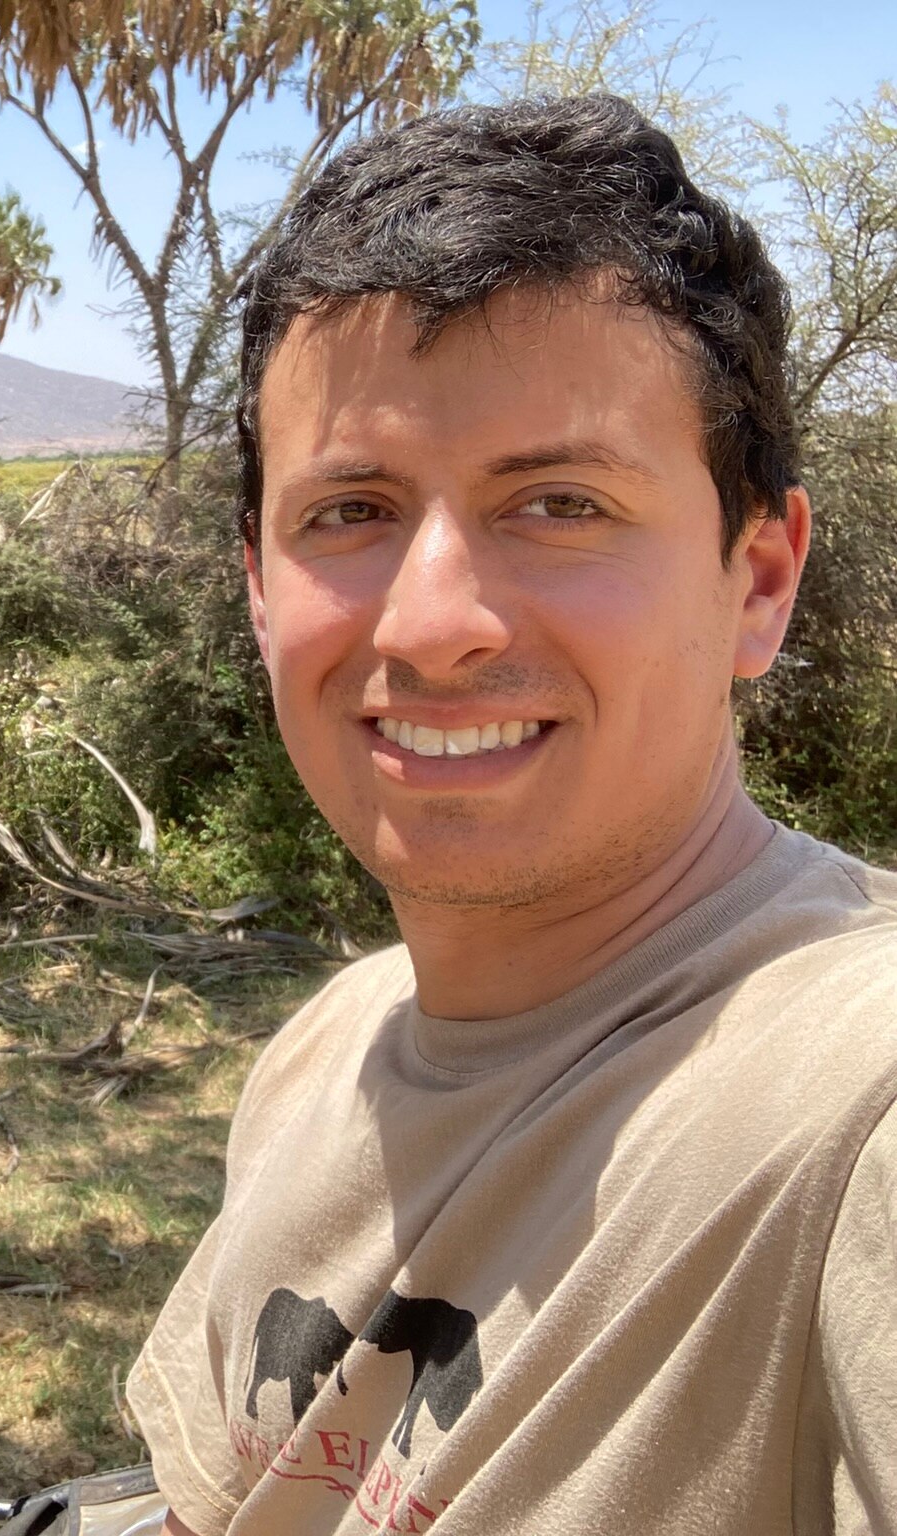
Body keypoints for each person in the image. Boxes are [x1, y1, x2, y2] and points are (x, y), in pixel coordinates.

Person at [124, 93, 896, 1534]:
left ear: (760, 579)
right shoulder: (323, 1054)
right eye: (346, 512)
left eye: (557, 502)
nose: (428, 627)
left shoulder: (858, 1108)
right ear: (253, 579)